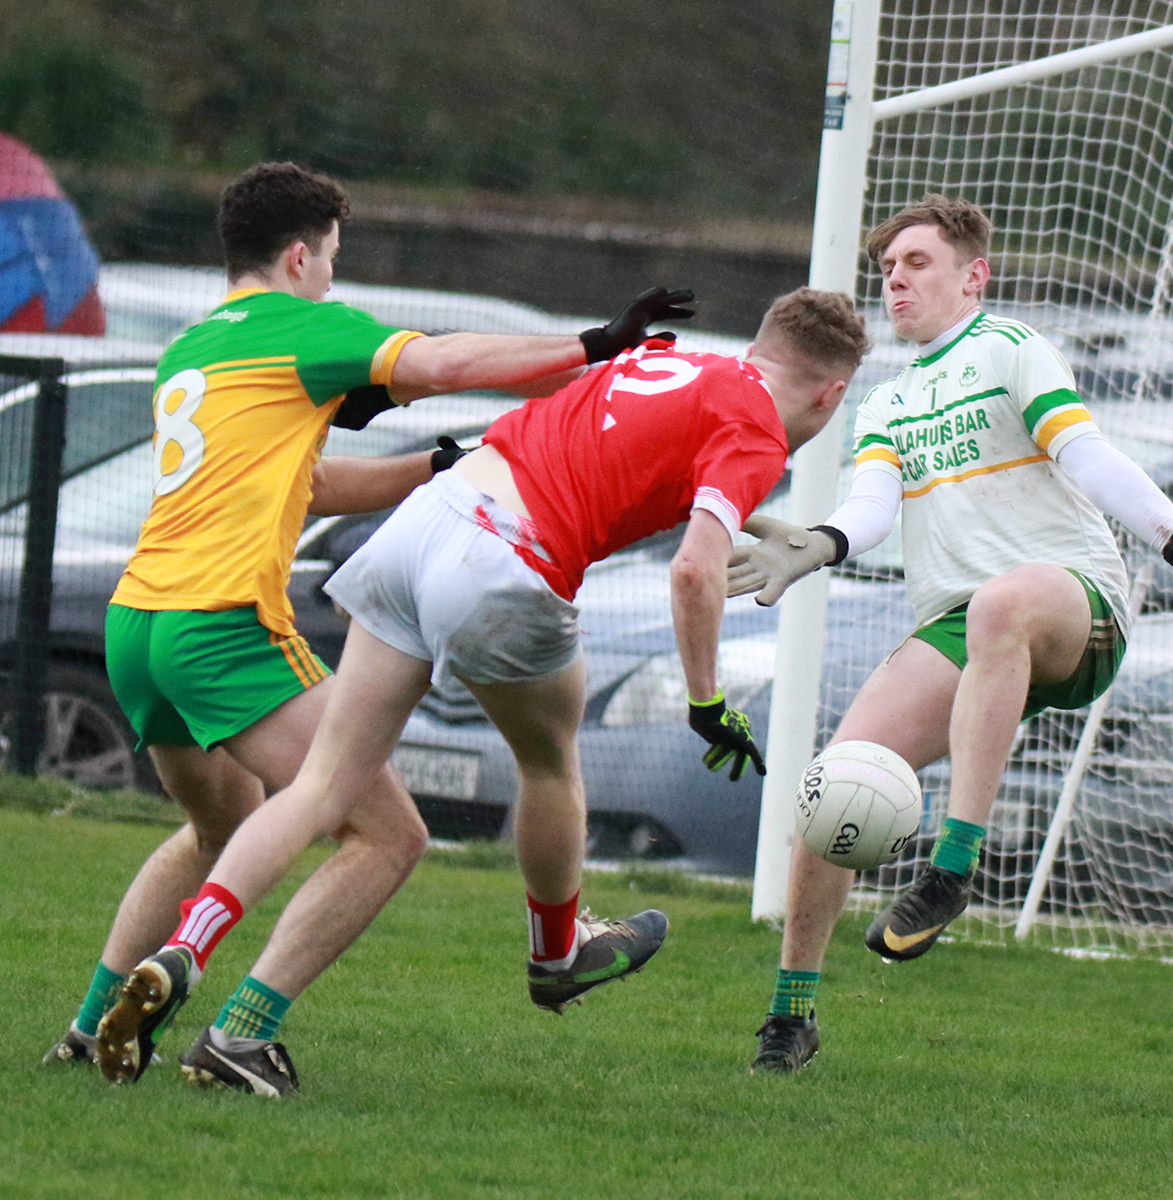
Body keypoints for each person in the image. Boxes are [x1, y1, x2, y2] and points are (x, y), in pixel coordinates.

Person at [95, 287, 870, 1095]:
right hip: (506, 562)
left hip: (424, 523)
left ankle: (185, 951)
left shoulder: (668, 358)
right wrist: (707, 703)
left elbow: (627, 449)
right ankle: (557, 953)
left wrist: (751, 520)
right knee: (548, 762)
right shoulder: (758, 430)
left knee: (323, 783)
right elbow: (692, 569)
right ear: (831, 392)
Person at [45, 160, 692, 1070]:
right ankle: (242, 1032)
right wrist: (592, 345)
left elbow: (307, 486)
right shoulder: (307, 328)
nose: (334, 278)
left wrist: (432, 471)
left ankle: (87, 1031)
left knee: (220, 832)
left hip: (137, 625)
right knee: (388, 832)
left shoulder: (193, 348)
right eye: (334, 258)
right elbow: (446, 361)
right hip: (221, 625)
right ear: (302, 255)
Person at [727, 194, 1173, 1073]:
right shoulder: (887, 400)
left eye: (917, 264)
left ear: (974, 275)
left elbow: (1088, 457)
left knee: (1004, 603)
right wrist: (817, 543)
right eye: (887, 269)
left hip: (1072, 607)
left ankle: (953, 865)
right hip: (963, 630)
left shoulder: (1010, 346)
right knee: (834, 788)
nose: (896, 280)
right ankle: (790, 1016)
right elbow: (872, 508)